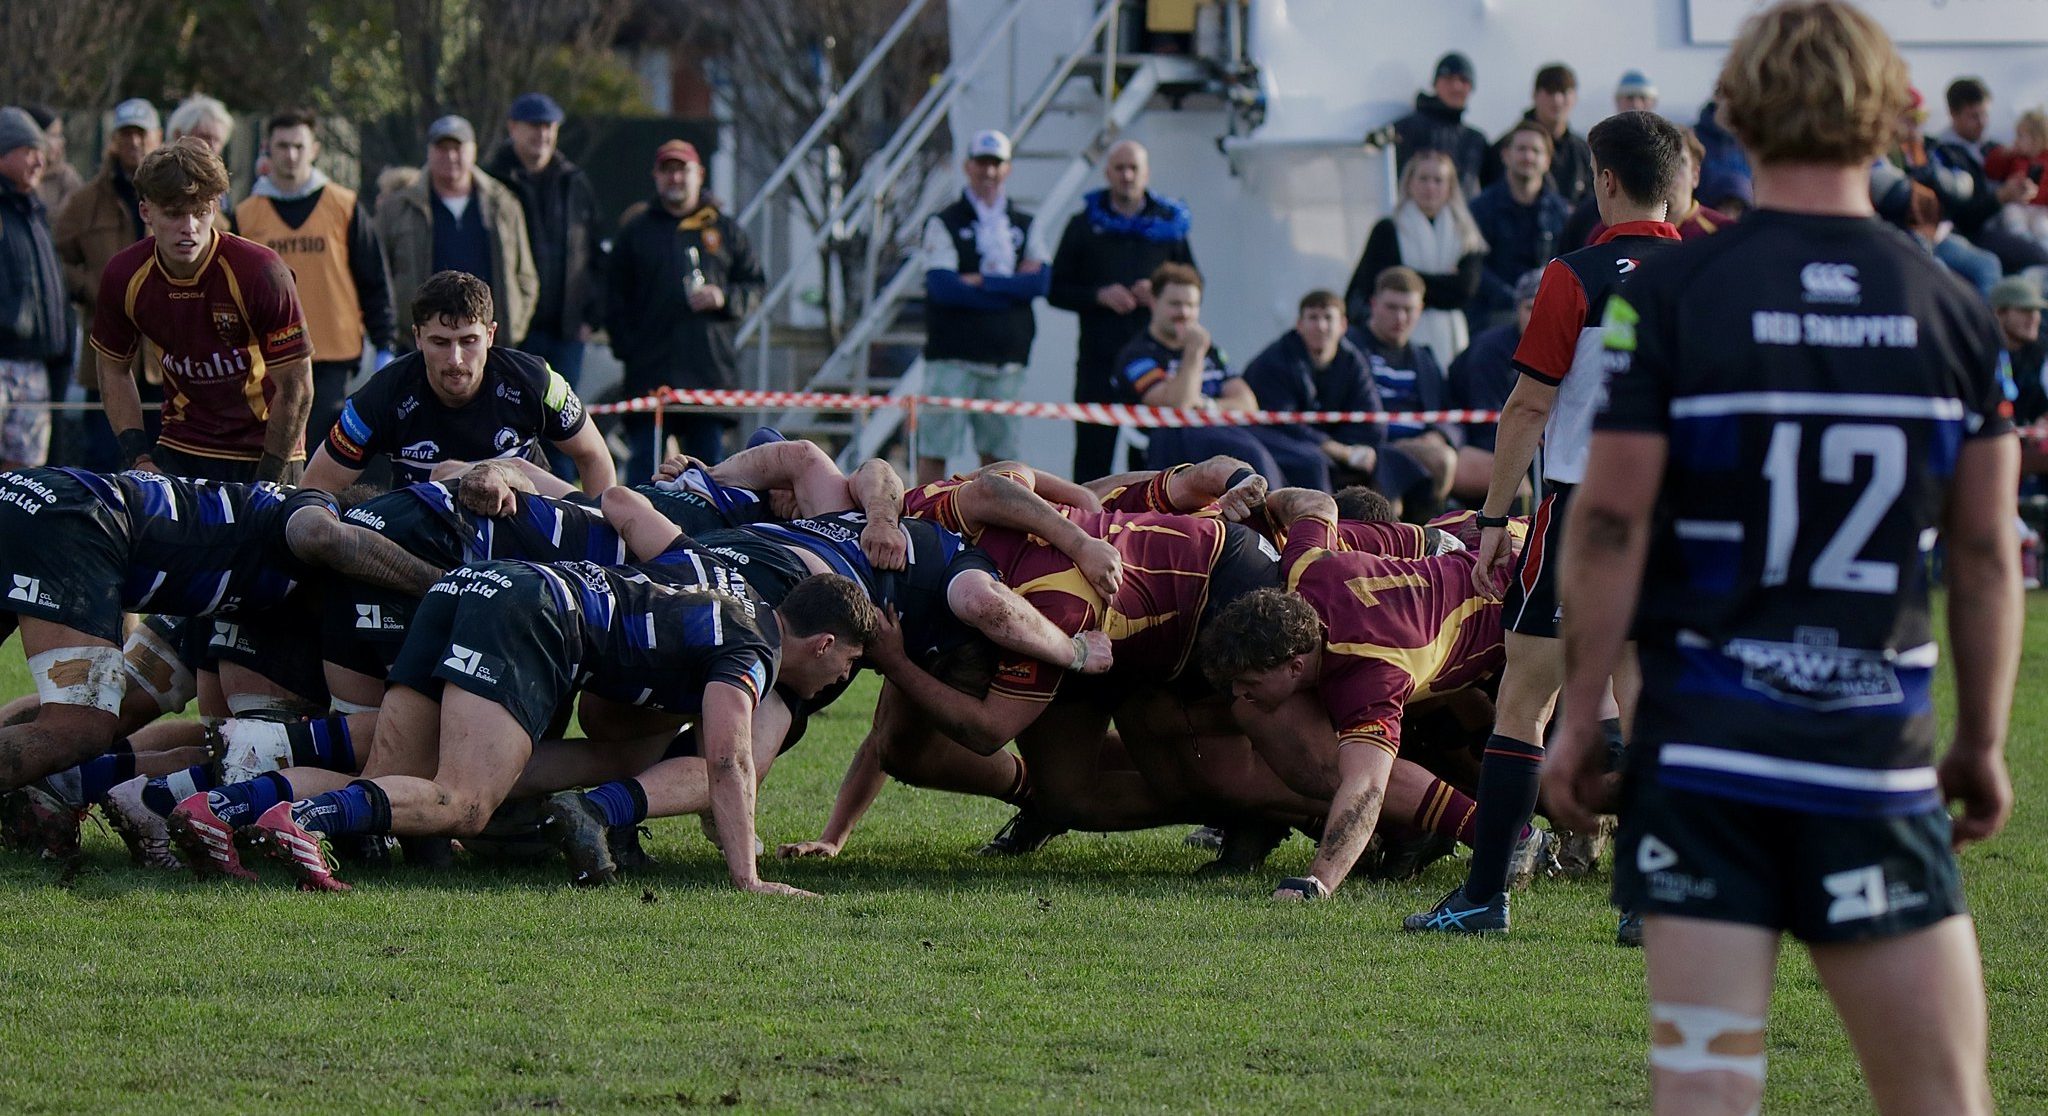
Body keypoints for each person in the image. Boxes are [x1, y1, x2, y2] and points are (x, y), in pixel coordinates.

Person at [1549, 7, 2016, 1114]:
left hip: (1706, 765)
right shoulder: (1952, 305)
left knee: (1704, 1096)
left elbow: (1609, 522)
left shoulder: (1662, 294)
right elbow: (1986, 551)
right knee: (1940, 1095)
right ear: (1888, 113)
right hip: (1868, 760)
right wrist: (1982, 742)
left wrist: (1577, 714)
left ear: (1738, 115)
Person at [1406, 109, 1684, 937]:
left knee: (1525, 700)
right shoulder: (1714, 275)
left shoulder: (1577, 273)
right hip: (1677, 513)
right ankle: (1646, 901)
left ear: (1604, 180)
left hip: (1587, 509)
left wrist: (1495, 514)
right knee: (1646, 703)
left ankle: (1485, 897)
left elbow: (1529, 403)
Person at [196, 564, 874, 895]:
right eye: (849, 662)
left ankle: (217, 809)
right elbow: (727, 763)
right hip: (531, 615)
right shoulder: (752, 647)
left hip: (472, 586)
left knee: (387, 787)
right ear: (821, 644)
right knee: (463, 802)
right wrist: (748, 878)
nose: (843, 678)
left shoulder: (733, 602)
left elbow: (623, 740)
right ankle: (304, 818)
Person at [0, 467, 442, 802]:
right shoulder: (311, 513)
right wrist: (445, 586)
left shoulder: (261, 582)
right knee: (81, 727)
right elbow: (327, 538)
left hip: (34, 498)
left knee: (94, 705)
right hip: (79, 520)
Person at [1197, 486, 1507, 901]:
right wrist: (1256, 497)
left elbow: (1366, 788)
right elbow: (1314, 503)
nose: (1239, 693)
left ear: (1295, 666)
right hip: (1482, 581)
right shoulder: (1305, 569)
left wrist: (1318, 881)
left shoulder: (1370, 672)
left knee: (1574, 762)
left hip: (1525, 614)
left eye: (1249, 683)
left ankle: (1518, 836)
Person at [89, 138, 314, 483]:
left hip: (268, 449)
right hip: (183, 446)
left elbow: (297, 387)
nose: (189, 227)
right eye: (174, 213)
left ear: (216, 207)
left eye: (200, 212)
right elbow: (113, 370)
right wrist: (139, 458)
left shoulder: (262, 272)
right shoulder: (125, 275)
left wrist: (269, 478)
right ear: (146, 211)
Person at [300, 270, 612, 492]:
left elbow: (594, 455)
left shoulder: (536, 380)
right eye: (440, 342)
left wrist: (597, 549)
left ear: (490, 335)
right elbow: (315, 486)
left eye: (469, 341)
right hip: (425, 540)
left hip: (523, 533)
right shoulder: (381, 395)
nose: (455, 360)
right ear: (418, 337)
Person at [236, 108, 397, 448]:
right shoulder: (246, 214)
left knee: (325, 451)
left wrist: (384, 343)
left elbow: (373, 279)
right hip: (269, 356)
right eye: (282, 146)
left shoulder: (344, 205)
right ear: (268, 148)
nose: (291, 155)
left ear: (315, 149)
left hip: (332, 353)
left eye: (299, 146)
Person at [606, 139, 763, 469]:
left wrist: (725, 298)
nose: (675, 178)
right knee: (644, 473)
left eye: (683, 170)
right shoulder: (636, 231)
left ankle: (707, 524)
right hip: (649, 375)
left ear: (700, 174)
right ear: (656, 176)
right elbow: (611, 295)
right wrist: (628, 348)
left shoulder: (725, 230)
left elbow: (754, 285)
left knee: (709, 475)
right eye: (668, 171)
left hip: (708, 374)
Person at [1048, 140, 1197, 481]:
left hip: (1152, 362)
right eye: (1120, 168)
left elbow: (1193, 281)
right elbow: (1055, 289)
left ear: (1146, 174)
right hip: (1099, 358)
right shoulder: (1083, 225)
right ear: (1107, 174)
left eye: (1134, 169)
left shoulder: (1169, 224)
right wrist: (1098, 295)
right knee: (1092, 456)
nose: (1127, 176)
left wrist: (1159, 292)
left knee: (1150, 461)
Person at [484, 91, 606, 480]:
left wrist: (591, 315)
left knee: (566, 424)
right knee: (511, 420)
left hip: (566, 329)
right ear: (512, 128)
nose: (542, 135)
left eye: (549, 127)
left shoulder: (575, 183)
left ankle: (566, 504)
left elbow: (594, 251)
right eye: (534, 126)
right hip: (514, 329)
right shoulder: (491, 182)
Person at [917, 129, 1048, 483]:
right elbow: (943, 288)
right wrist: (1011, 290)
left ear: (1007, 169)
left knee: (1001, 458)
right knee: (934, 449)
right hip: (951, 357)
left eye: (996, 164)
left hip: (1005, 360)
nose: (988, 172)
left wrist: (983, 282)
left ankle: (996, 528)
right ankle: (924, 521)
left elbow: (1040, 283)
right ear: (967, 166)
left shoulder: (1025, 224)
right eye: (982, 163)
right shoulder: (945, 221)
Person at [1110, 263, 1302, 486]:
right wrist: (1193, 351)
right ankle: (1276, 519)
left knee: (1308, 460)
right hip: (1174, 440)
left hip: (1225, 427)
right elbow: (1179, 407)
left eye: (1191, 305)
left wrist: (1207, 405)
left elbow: (1248, 403)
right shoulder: (1138, 355)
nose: (1184, 313)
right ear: (1154, 302)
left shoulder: (1211, 352)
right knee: (1253, 457)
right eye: (1175, 304)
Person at [54, 98, 158, 468]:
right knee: (103, 459)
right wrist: (93, 288)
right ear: (113, 140)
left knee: (167, 467)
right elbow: (56, 258)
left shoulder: (173, 199)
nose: (133, 143)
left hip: (165, 357)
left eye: (141, 135)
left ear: (156, 138)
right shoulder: (85, 202)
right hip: (106, 351)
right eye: (125, 134)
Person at [375, 115, 537, 350]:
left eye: (458, 148)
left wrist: (514, 326)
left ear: (473, 151)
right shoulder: (399, 207)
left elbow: (525, 275)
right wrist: (397, 329)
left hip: (490, 344)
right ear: (429, 152)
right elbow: (378, 274)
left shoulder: (503, 203)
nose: (450, 156)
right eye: (442, 148)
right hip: (419, 345)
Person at [1343, 150, 1486, 364]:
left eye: (1438, 180)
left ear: (1449, 187)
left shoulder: (1466, 234)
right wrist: (1443, 282)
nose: (1430, 187)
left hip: (1451, 335)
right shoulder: (1389, 228)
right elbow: (1380, 282)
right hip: (1398, 337)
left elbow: (1465, 289)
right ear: (1409, 182)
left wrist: (1410, 275)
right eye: (1423, 179)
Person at [1239, 290, 1385, 492]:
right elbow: (1283, 422)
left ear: (1343, 325)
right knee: (1313, 463)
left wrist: (1352, 449)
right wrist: (1339, 450)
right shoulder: (1274, 361)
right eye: (1313, 318)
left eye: (1328, 318)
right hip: (1276, 443)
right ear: (1299, 324)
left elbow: (1371, 422)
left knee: (1390, 463)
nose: (1321, 326)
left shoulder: (1353, 361)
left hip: (1331, 444)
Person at [1346, 267, 1460, 519]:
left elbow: (1450, 413)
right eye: (1391, 307)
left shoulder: (1424, 357)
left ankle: (1428, 530)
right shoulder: (1349, 347)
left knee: (1451, 459)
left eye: (1408, 309)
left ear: (1420, 310)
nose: (1400, 317)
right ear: (1373, 304)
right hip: (1373, 444)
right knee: (1433, 464)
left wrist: (1439, 436)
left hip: (1419, 443)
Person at [0, 108, 64, 468]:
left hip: (34, 365)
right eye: (29, 150)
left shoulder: (34, 211)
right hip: (4, 360)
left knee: (25, 475)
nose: (40, 160)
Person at [1936, 77, 2048, 276]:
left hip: (2016, 222)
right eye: (1974, 116)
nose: (1982, 123)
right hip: (1975, 233)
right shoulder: (1943, 154)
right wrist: (2001, 197)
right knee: (2038, 255)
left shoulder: (1994, 149)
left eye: (1985, 114)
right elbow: (1960, 216)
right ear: (1953, 114)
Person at [1446, 268, 1542, 497]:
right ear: (1517, 309)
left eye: (1546, 307)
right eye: (1530, 308)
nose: (1538, 316)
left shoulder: (1562, 348)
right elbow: (1487, 423)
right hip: (1475, 443)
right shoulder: (1490, 352)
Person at [1470, 122, 1571, 330]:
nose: (1528, 157)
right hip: (1493, 315)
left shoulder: (1561, 213)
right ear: (1505, 155)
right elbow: (1474, 267)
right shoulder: (1479, 209)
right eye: (1521, 149)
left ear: (1547, 161)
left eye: (1536, 151)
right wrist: (1514, 298)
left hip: (1546, 313)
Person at [1481, 63, 1594, 204]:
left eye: (1564, 92)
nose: (1557, 100)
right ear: (1534, 95)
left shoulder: (1584, 153)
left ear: (1575, 97)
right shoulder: (1505, 147)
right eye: (1550, 91)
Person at [1388, 52, 1489, 197]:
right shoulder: (1406, 129)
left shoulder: (1476, 141)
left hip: (1461, 218)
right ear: (1435, 84)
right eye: (1448, 79)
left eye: (1463, 80)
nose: (1456, 86)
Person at [165, 94, 235, 227]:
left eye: (218, 140)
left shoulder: (217, 183)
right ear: (178, 135)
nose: (212, 146)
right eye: (205, 137)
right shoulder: (161, 178)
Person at [21, 105, 82, 213]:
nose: (62, 141)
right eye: (54, 135)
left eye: (60, 135)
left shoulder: (67, 177)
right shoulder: (18, 177)